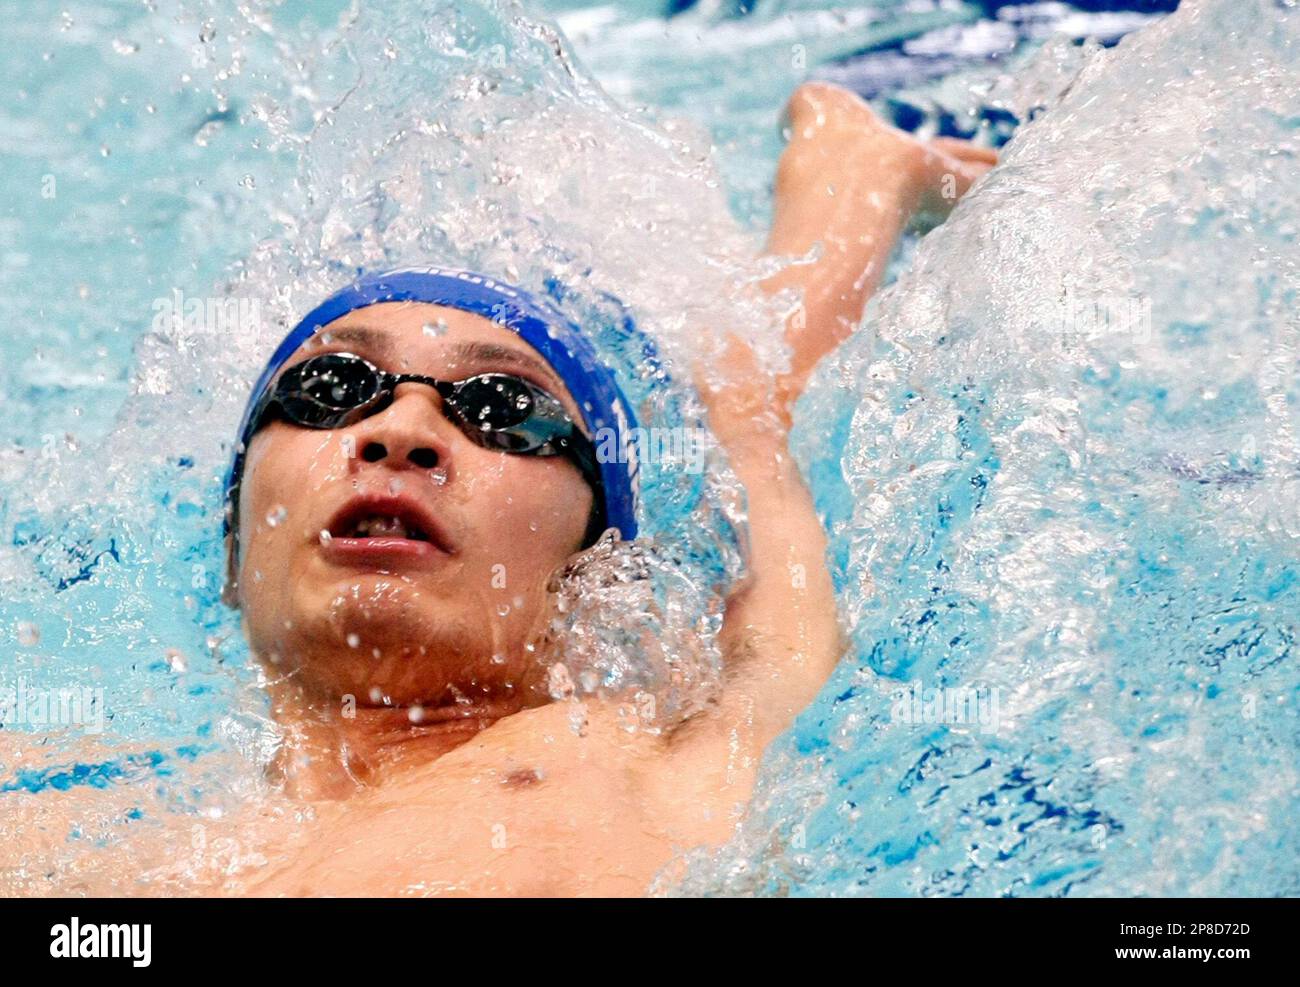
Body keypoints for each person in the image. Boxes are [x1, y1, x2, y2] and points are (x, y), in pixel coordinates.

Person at [2, 82, 995, 896]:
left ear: (594, 567)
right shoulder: (78, 822)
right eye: (331, 387)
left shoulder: (639, 759)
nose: (399, 431)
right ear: (230, 550)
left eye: (502, 408)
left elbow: (754, 450)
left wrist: (843, 191)